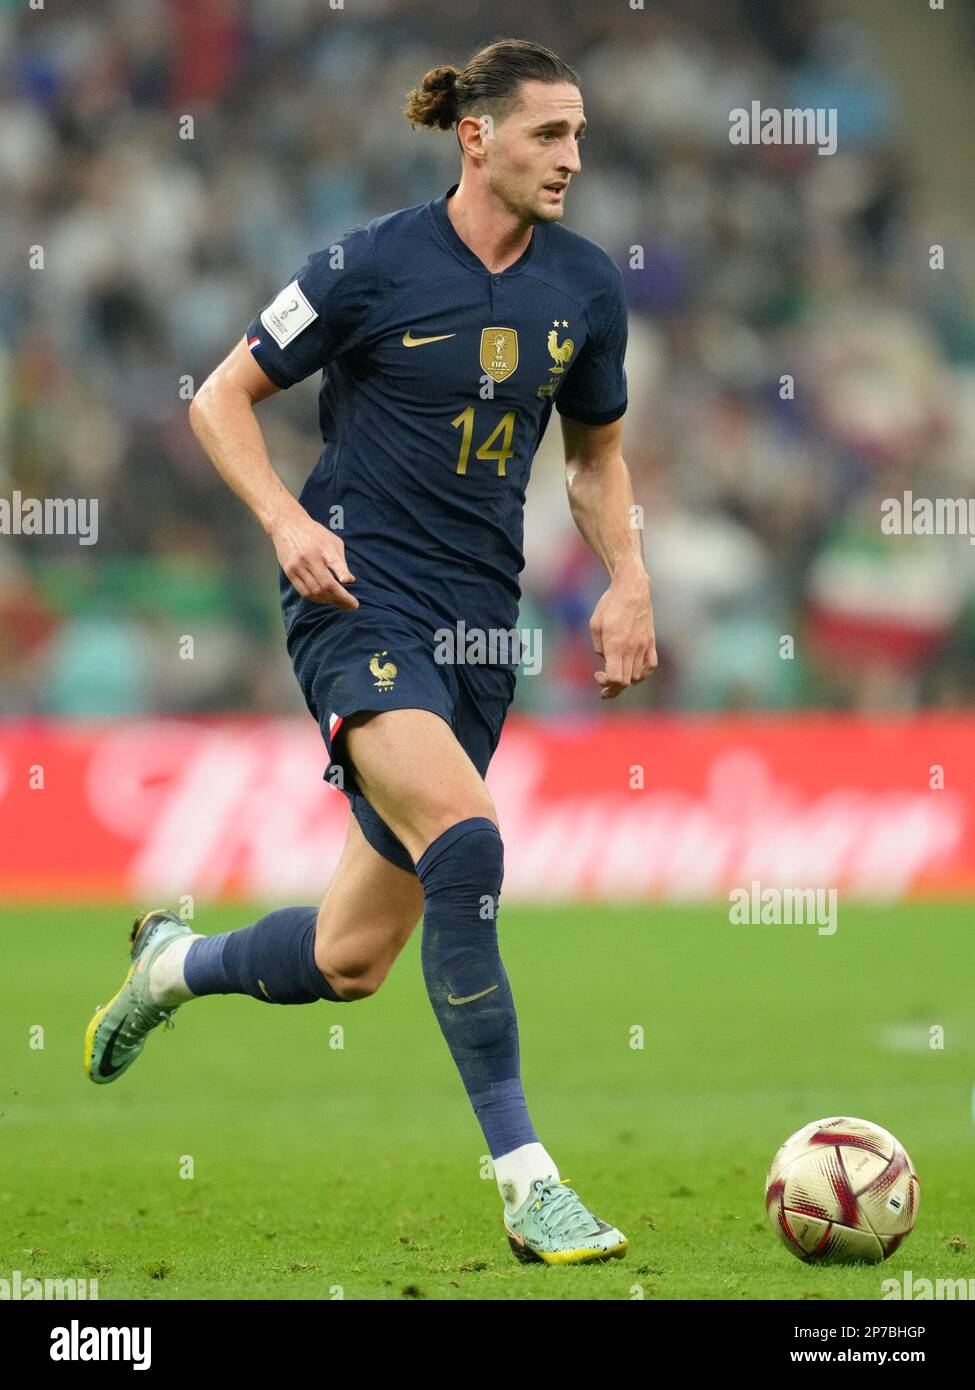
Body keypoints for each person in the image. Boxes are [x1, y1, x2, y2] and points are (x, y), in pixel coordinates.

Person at [85, 37, 657, 1266]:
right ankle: (527, 1179)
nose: (572, 158)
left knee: (351, 960)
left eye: (580, 137)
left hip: (479, 634)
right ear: (477, 137)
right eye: (549, 135)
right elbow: (218, 396)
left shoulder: (585, 289)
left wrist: (627, 577)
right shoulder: (366, 264)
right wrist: (287, 519)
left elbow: (598, 458)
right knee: (470, 840)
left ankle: (174, 965)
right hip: (359, 605)